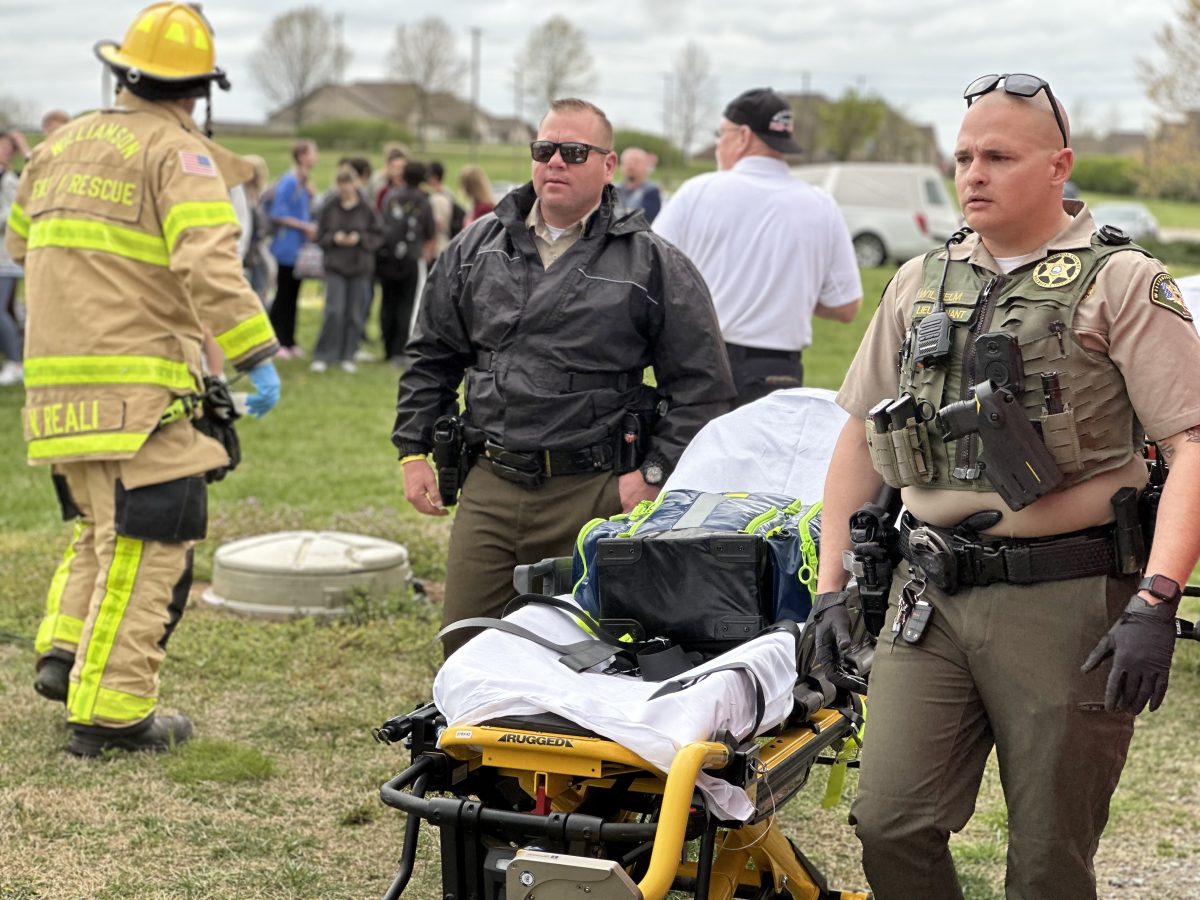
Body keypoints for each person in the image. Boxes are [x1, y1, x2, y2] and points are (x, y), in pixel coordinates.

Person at [811, 74, 1200, 898]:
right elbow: (857, 435)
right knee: (889, 821)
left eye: (998, 156)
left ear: (1059, 165)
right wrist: (830, 586)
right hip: (931, 595)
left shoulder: (1122, 282)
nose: (973, 175)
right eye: (962, 158)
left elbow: (1191, 444)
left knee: (1048, 862)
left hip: (1067, 601)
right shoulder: (919, 279)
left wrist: (1157, 601)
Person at [6, 2, 282, 756]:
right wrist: (255, 355)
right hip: (139, 394)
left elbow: (22, 249)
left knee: (98, 532)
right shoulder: (178, 153)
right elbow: (206, 260)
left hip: (56, 394)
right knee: (151, 547)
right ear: (198, 90)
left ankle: (64, 655)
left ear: (123, 70)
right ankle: (111, 715)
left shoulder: (55, 148)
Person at [392, 98, 735, 655]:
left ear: (608, 164)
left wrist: (649, 475)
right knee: (465, 649)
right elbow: (431, 356)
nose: (556, 161)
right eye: (544, 149)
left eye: (574, 151)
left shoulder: (652, 263)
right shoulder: (475, 249)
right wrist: (412, 450)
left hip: (594, 490)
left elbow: (703, 387)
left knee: (592, 658)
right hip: (491, 486)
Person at [653, 87, 862, 407]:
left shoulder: (696, 193)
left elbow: (650, 277)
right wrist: (788, 291)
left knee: (696, 456)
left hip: (700, 364)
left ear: (744, 135)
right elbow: (846, 307)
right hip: (780, 372)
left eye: (721, 134)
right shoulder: (820, 205)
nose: (718, 144)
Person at [312, 166, 382, 373]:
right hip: (335, 265)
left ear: (355, 184)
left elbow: (378, 235)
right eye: (341, 188)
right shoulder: (329, 207)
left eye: (348, 187)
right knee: (334, 310)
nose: (345, 191)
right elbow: (320, 236)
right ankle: (324, 354)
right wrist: (335, 238)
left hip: (360, 267)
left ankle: (348, 354)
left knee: (354, 313)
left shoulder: (366, 208)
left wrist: (360, 239)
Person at [377, 160, 434, 366]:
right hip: (410, 257)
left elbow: (382, 223)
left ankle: (386, 348)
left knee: (387, 302)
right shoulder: (423, 200)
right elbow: (429, 232)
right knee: (406, 304)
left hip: (387, 256)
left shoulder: (391, 196)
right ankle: (398, 350)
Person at [268, 139, 318, 359]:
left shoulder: (304, 181)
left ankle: (289, 339)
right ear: (301, 156)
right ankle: (276, 340)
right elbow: (278, 213)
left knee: (294, 295)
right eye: (311, 153)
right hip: (286, 247)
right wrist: (303, 226)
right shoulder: (289, 181)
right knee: (283, 295)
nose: (315, 157)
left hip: (300, 249)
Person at [0, 128, 28, 386]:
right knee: (7, 309)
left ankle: (15, 362)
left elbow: (13, 214)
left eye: (9, 149)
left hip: (6, 260)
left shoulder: (9, 180)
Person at [615, 147, 661, 224]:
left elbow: (643, 220)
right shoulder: (614, 189)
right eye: (627, 162)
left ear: (646, 166)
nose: (631, 166)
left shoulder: (651, 191)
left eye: (636, 162)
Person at [425, 160, 457, 262]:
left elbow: (437, 225)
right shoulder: (448, 193)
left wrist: (429, 251)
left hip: (438, 248)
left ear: (433, 177)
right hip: (448, 242)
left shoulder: (436, 199)